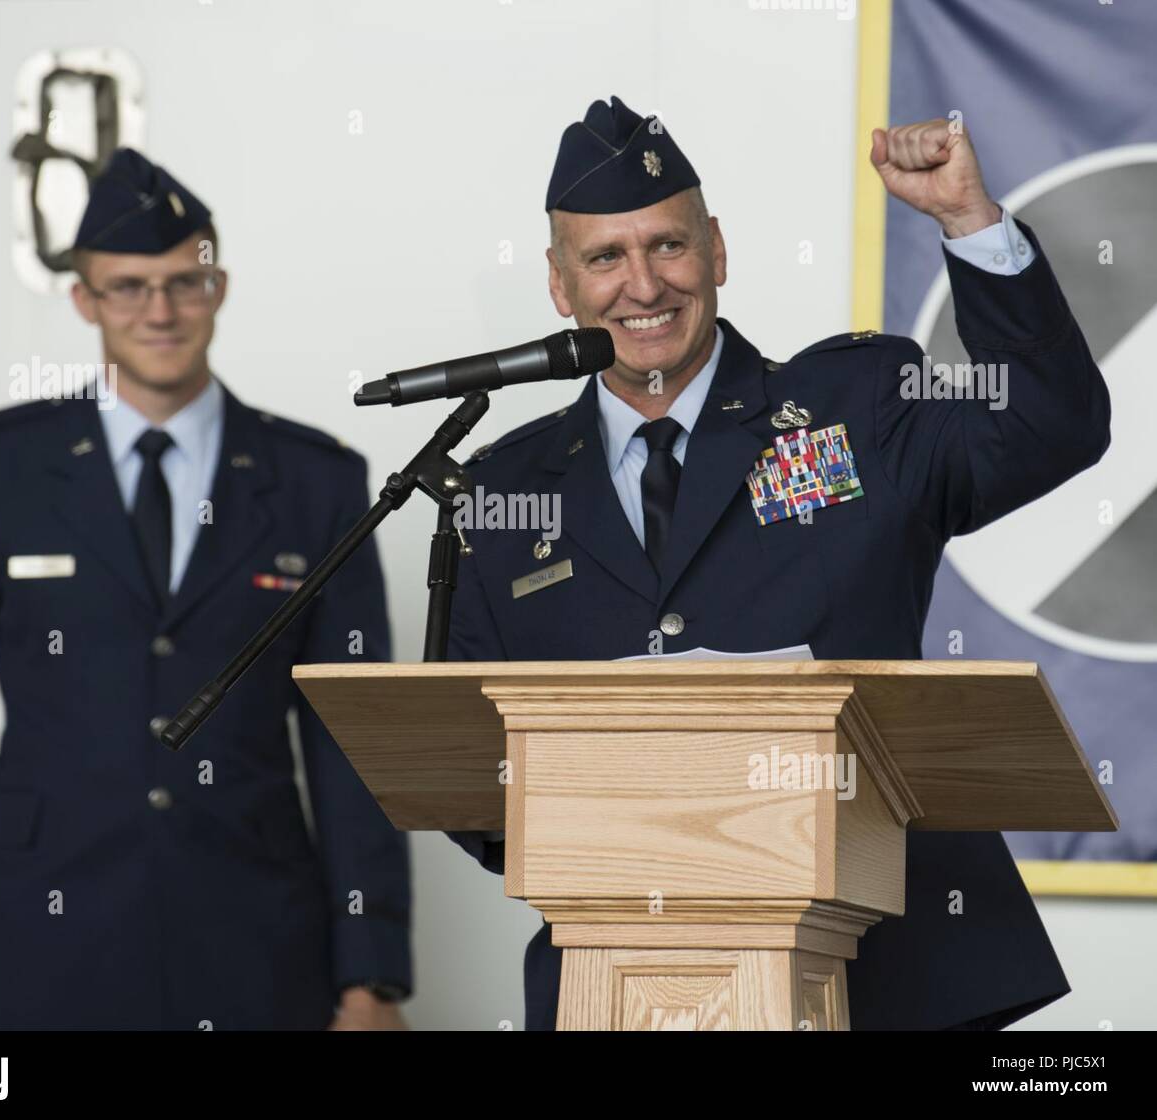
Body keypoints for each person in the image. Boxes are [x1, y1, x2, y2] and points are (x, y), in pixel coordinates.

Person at [446, 97, 1110, 1031]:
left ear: (716, 251)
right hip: (620, 988)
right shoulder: (504, 490)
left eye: (667, 247)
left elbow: (1054, 426)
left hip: (899, 979)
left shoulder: (858, 404)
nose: (643, 285)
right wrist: (663, 837)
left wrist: (970, 222)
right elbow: (474, 779)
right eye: (604, 258)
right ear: (561, 287)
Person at [0, 148, 412, 1030]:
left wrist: (371, 976)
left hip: (257, 947)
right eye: (128, 287)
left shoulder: (316, 482)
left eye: (183, 284)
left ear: (218, 287)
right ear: (84, 299)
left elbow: (353, 742)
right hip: (36, 947)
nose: (160, 311)